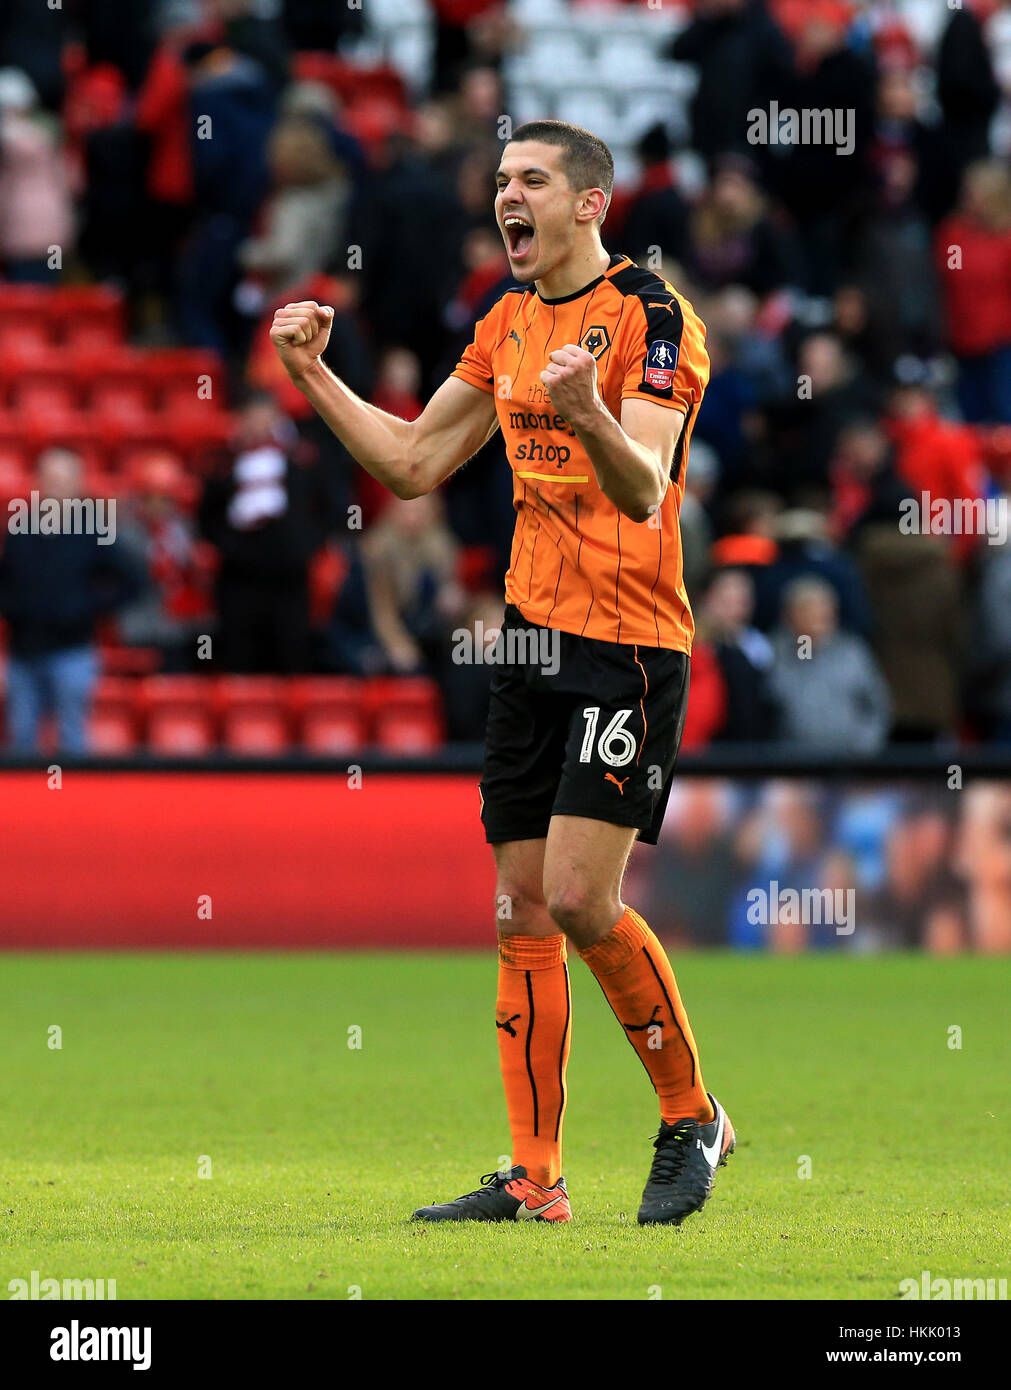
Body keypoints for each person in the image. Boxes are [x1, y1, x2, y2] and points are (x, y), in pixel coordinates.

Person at [270, 119, 734, 1227]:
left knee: (579, 898)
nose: (507, 197)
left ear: (590, 203)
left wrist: (585, 413)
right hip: (531, 643)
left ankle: (693, 1117)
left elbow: (645, 486)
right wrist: (313, 374)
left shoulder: (654, 318)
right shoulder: (506, 319)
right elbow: (413, 462)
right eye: (500, 180)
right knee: (522, 903)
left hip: (627, 646)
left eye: (531, 180)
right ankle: (534, 1178)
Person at [0, 449, 141, 753]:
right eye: (49, 478)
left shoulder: (93, 531)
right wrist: (14, 610)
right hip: (23, 651)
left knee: (72, 738)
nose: (55, 487)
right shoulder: (19, 529)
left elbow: (132, 580)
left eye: (62, 480)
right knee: (21, 739)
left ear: (78, 484)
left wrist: (88, 608)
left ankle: (70, 787)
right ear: (37, 482)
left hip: (72, 650)